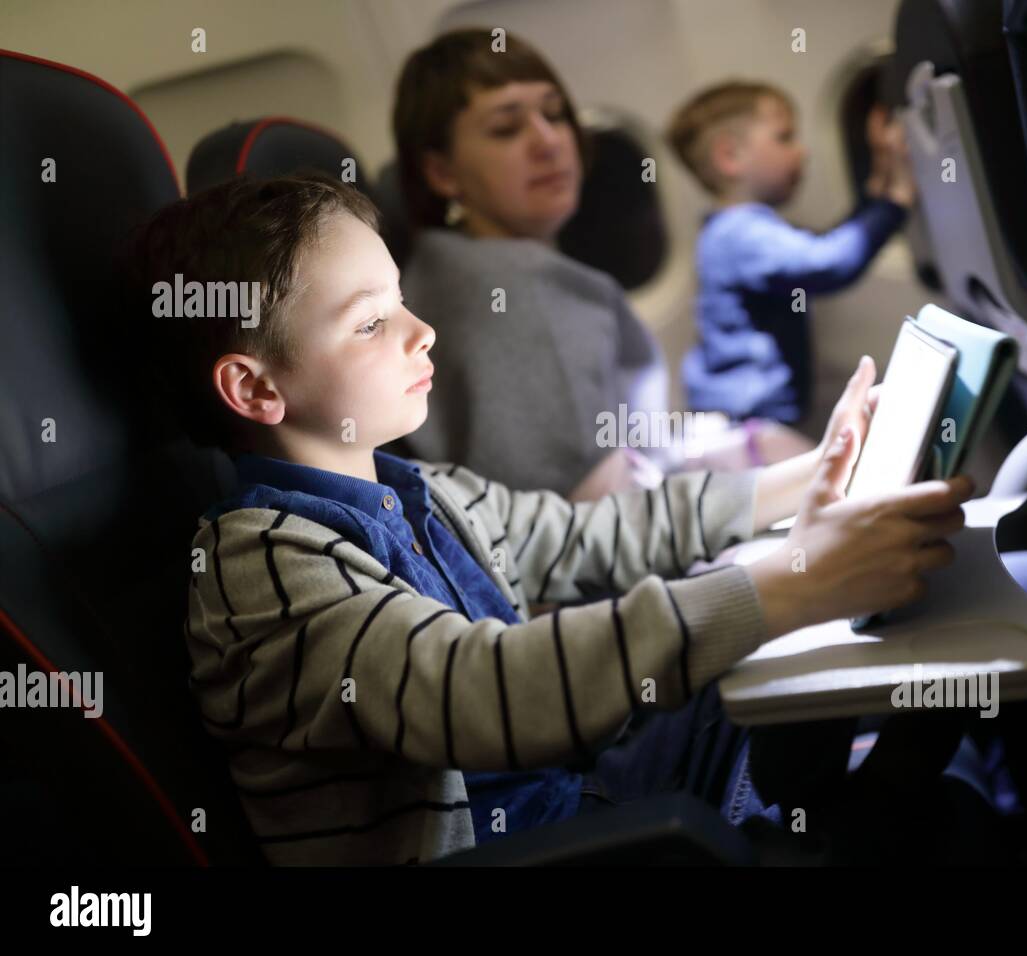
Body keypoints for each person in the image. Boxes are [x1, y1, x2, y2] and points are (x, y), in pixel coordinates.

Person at [131, 172, 975, 864]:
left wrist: (810, 476)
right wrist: (795, 583)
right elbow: (484, 687)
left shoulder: (424, 491)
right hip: (529, 856)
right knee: (914, 813)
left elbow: (601, 536)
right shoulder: (261, 565)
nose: (422, 332)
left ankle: (861, 818)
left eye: (403, 301)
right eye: (372, 321)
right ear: (256, 390)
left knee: (829, 685)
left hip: (578, 798)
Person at [391, 29, 814, 503]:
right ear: (441, 172)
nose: (549, 142)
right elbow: (590, 521)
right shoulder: (503, 294)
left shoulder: (455, 263)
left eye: (554, 115)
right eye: (507, 129)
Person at [666, 80, 915, 425]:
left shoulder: (733, 229)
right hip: (749, 422)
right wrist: (895, 203)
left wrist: (877, 187)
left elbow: (826, 248)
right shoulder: (741, 234)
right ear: (730, 156)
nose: (802, 151)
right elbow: (828, 264)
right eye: (785, 137)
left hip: (745, 415)